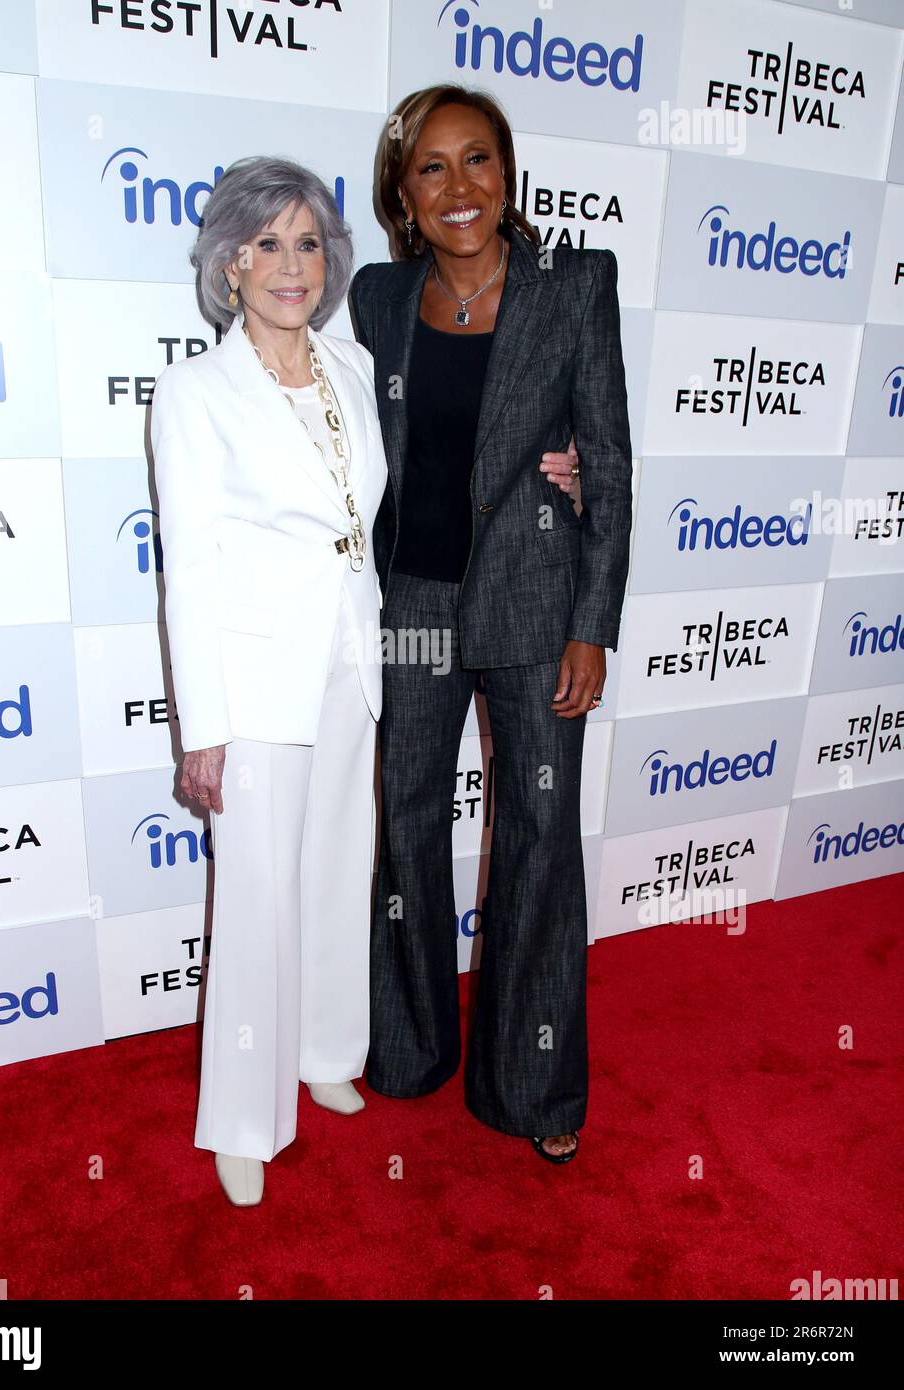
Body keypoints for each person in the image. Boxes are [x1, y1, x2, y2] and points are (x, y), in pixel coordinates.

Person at [350, 85, 633, 1164]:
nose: (458, 186)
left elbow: (608, 462)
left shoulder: (575, 286)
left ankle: (533, 1084)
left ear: (508, 174)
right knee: (408, 826)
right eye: (432, 167)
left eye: (478, 159)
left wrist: (592, 623)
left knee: (539, 838)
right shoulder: (378, 297)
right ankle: (408, 1048)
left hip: (534, 602)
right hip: (415, 604)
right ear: (404, 195)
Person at [151, 156, 388, 1206]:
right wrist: (203, 725)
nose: (292, 265)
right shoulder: (196, 393)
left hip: (350, 661)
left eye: (308, 243)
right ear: (230, 265)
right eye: (267, 245)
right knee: (256, 899)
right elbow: (191, 569)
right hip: (255, 683)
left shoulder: (351, 366)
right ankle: (244, 1119)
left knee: (339, 866)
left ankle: (325, 1051)